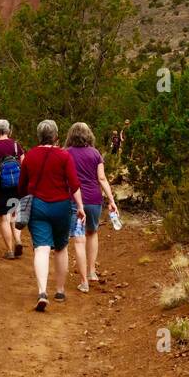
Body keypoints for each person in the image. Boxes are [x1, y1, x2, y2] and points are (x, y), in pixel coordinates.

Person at [18, 119, 85, 311]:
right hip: (62, 206)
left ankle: (42, 292)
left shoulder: (29, 156)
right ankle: (60, 290)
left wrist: (21, 204)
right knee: (61, 247)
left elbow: (22, 186)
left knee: (41, 249)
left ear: (39, 136)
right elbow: (74, 184)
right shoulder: (64, 156)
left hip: (38, 206)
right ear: (56, 136)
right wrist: (80, 206)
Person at [64, 122, 118, 292]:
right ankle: (92, 272)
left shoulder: (66, 153)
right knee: (92, 232)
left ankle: (83, 282)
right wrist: (111, 200)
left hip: (73, 200)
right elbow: (102, 179)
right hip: (94, 199)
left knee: (79, 239)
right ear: (89, 135)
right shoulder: (95, 154)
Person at [0, 120, 24, 259]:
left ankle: (9, 251)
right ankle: (18, 240)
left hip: (0, 186)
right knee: (14, 214)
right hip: (16, 186)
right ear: (8, 130)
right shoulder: (16, 145)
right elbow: (24, 166)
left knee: (4, 219)